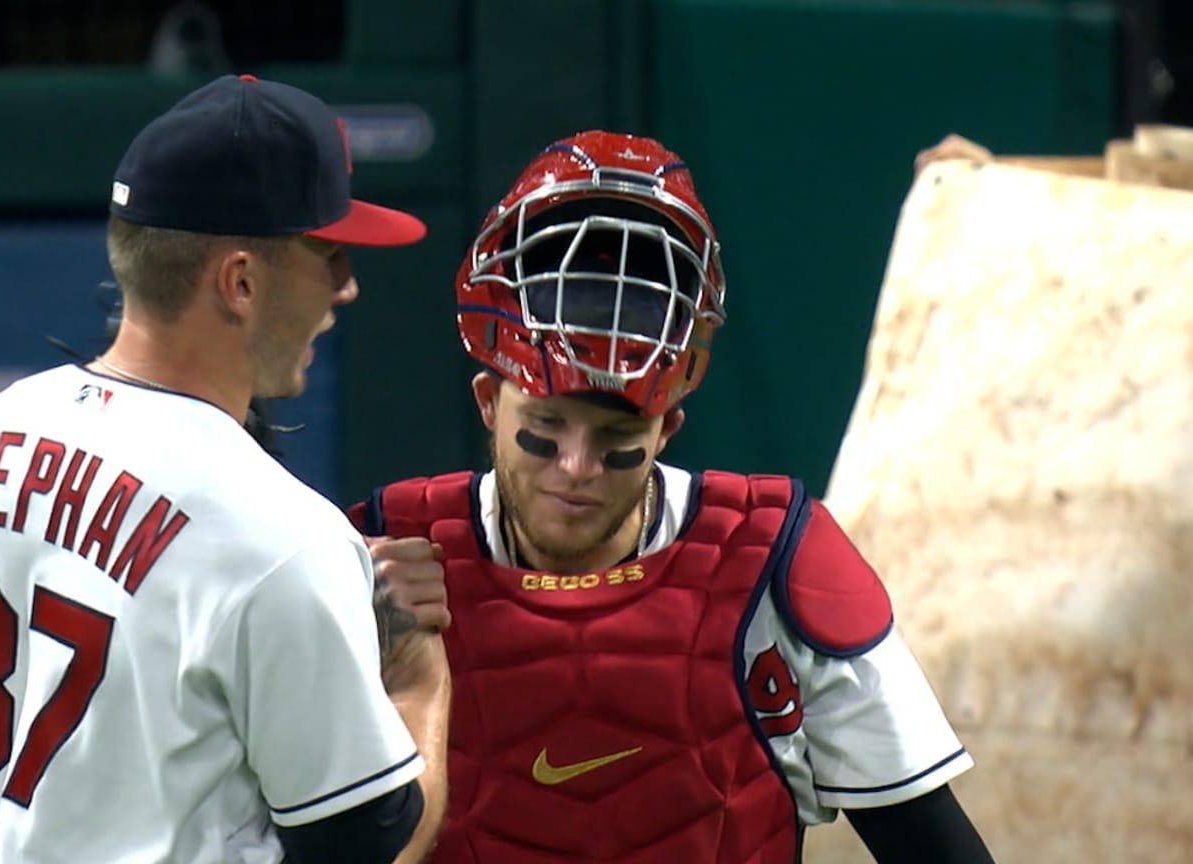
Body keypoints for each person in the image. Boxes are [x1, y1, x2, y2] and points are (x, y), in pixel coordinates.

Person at [0, 74, 452, 864]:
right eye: (328, 254)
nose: (347, 286)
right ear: (241, 281)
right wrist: (416, 678)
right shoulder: (285, 539)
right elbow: (365, 839)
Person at [352, 131, 995, 863]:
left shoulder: (776, 567)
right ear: (487, 405)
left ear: (668, 430)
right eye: (544, 429)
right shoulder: (377, 559)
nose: (576, 467)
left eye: (617, 437)